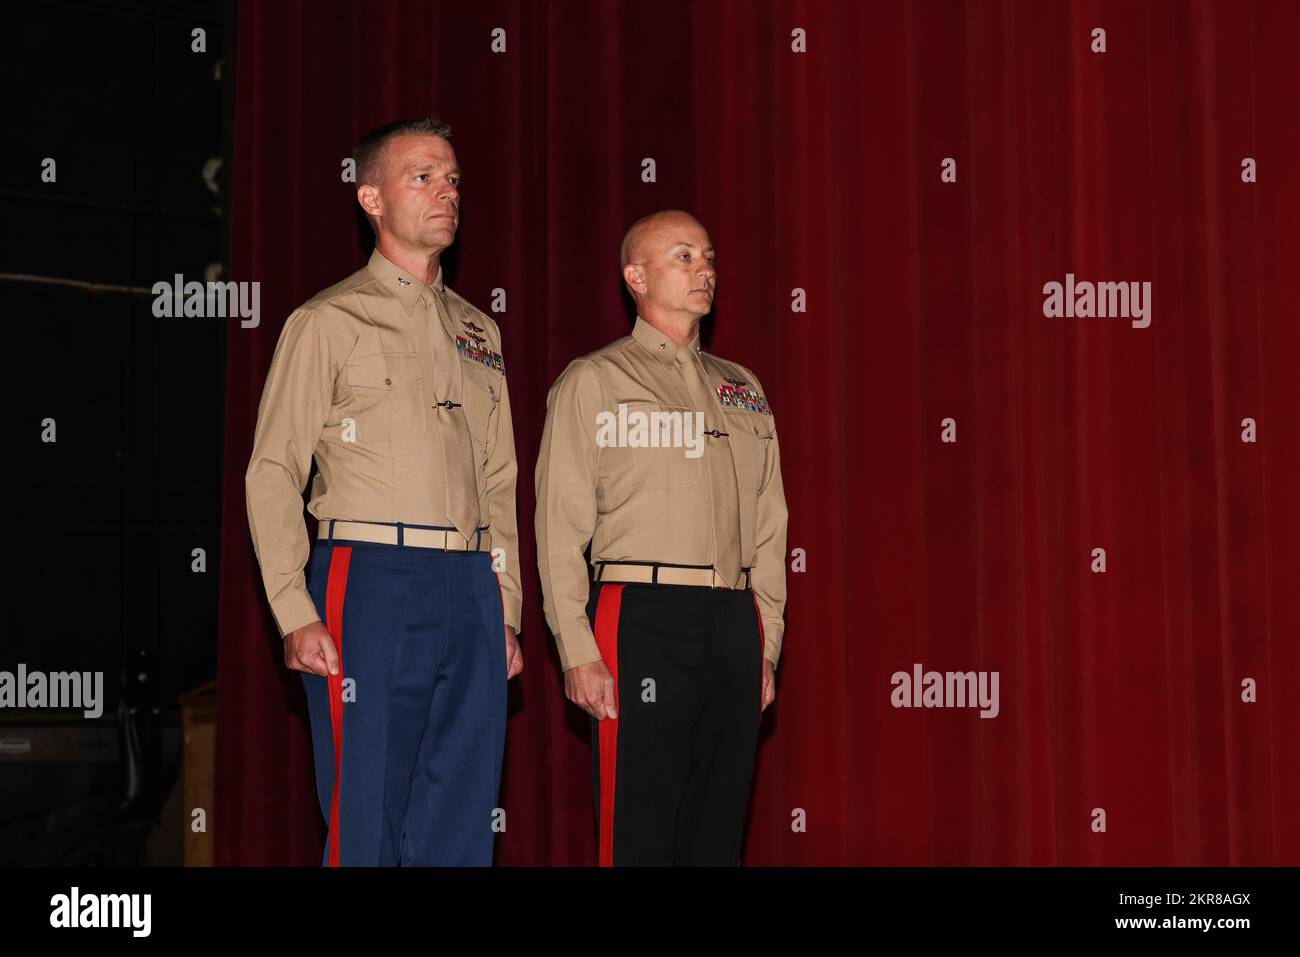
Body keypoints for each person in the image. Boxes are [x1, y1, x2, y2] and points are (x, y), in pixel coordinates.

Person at [245, 117, 523, 866]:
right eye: (424, 176)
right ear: (370, 197)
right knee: (366, 813)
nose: (447, 191)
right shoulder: (326, 320)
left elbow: (499, 480)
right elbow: (272, 469)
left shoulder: (479, 330)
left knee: (461, 819)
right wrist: (293, 611)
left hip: (469, 586)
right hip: (368, 577)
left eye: (455, 178)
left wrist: (506, 609)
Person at [535, 209, 788, 865]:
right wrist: (575, 644)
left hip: (733, 621)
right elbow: (558, 522)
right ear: (635, 276)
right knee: (640, 829)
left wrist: (766, 642)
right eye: (682, 255)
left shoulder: (744, 389)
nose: (704, 267)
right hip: (641, 617)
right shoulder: (595, 380)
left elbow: (768, 524)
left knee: (718, 827)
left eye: (708, 255)